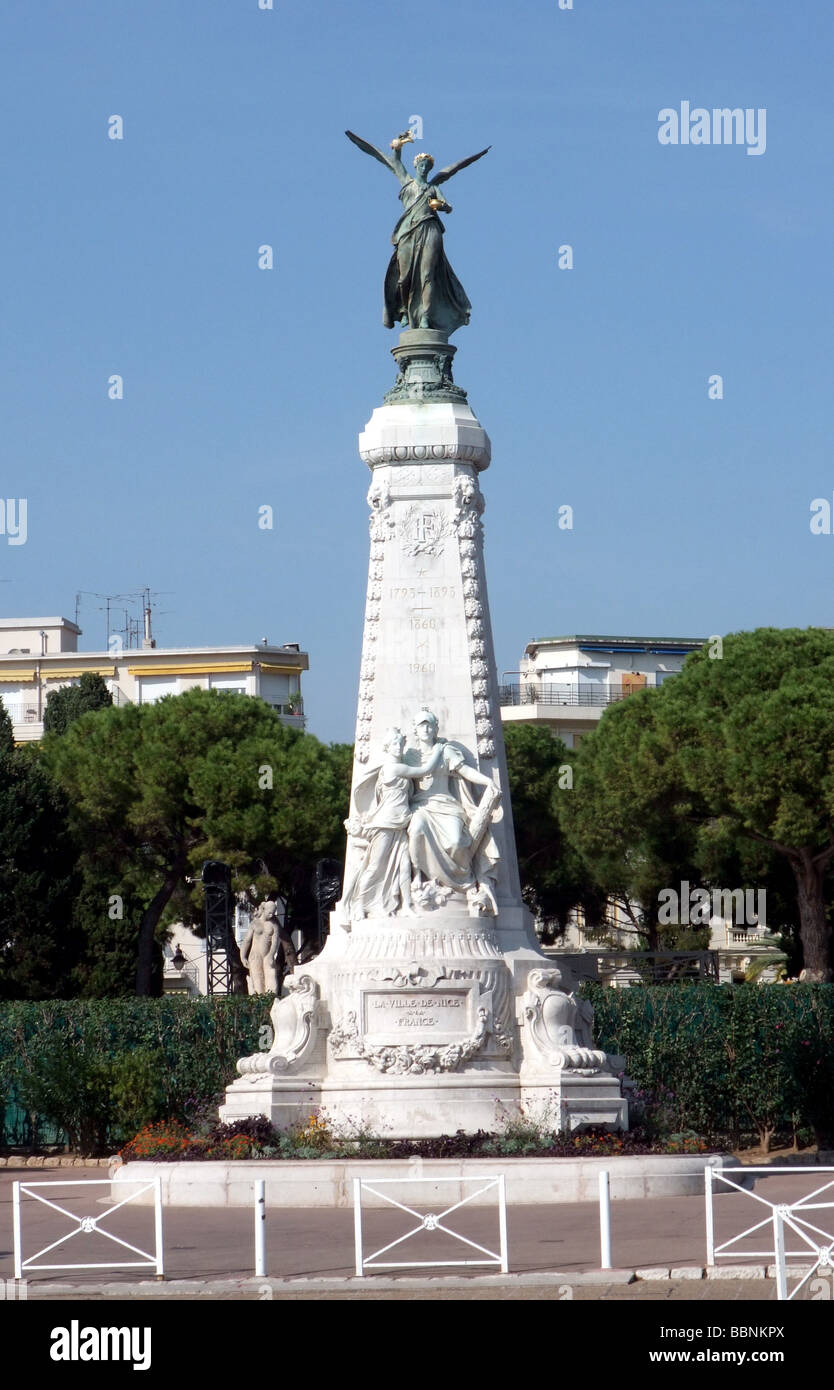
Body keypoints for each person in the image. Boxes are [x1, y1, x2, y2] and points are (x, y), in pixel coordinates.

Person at [345, 129, 490, 334]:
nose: (424, 168)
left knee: (427, 275)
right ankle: (404, 308)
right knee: (404, 278)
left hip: (430, 229)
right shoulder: (407, 182)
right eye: (421, 165)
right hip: (408, 232)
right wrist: (399, 146)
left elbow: (448, 206)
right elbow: (394, 162)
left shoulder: (432, 188)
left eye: (427, 166)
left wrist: (442, 206)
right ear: (416, 167)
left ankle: (425, 317)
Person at [339, 727, 444, 921]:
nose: (399, 747)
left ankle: (406, 905)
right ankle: (359, 905)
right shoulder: (393, 767)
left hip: (400, 823)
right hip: (385, 824)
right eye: (394, 743)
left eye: (400, 743)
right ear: (387, 747)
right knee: (375, 865)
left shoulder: (395, 768)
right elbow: (425, 770)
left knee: (405, 865)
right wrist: (437, 751)